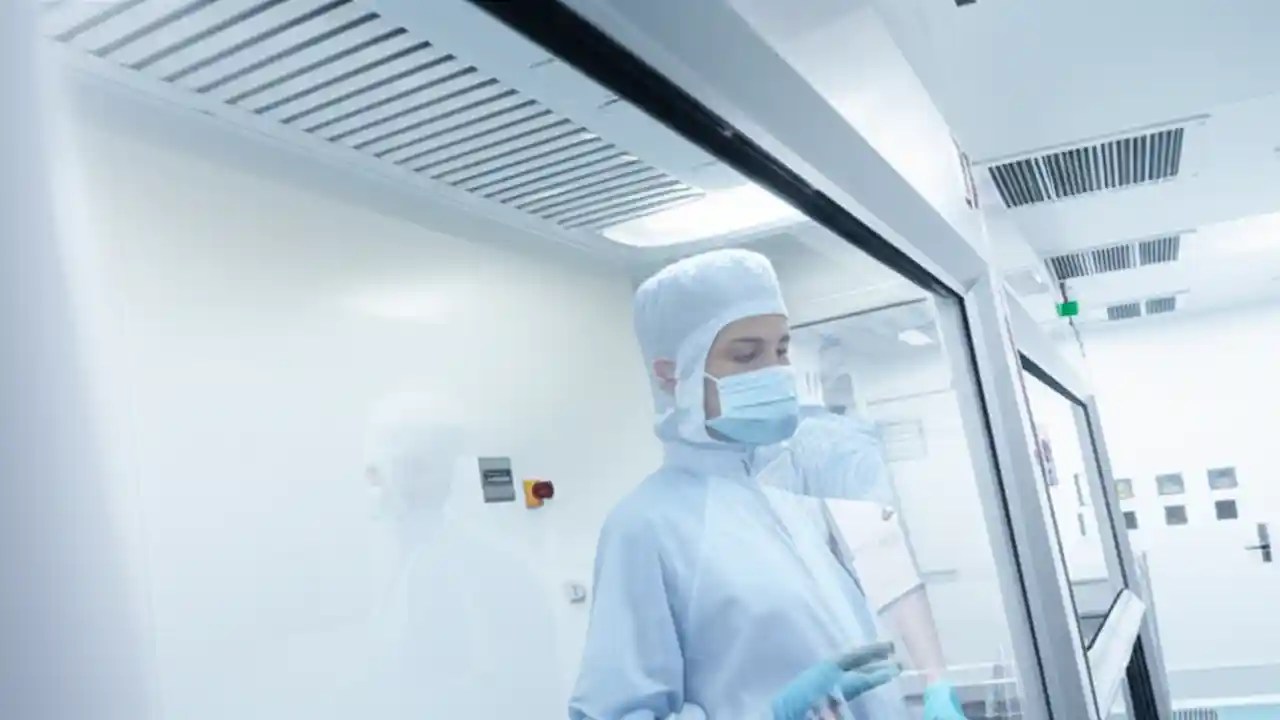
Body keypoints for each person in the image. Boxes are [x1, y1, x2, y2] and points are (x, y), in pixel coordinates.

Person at [570, 249, 916, 720]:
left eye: (780, 350)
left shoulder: (788, 509)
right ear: (672, 374)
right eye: (746, 354)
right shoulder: (646, 525)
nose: (774, 371)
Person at [362, 394, 564, 719]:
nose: (401, 483)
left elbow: (526, 684)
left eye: (418, 467)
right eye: (395, 467)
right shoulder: (386, 558)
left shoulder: (489, 565)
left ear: (454, 469)